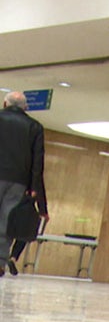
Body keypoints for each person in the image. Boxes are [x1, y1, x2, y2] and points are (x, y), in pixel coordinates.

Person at [0, 91, 47, 277]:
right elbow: (38, 163)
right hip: (19, 181)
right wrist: (34, 189)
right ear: (25, 108)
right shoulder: (35, 127)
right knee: (7, 220)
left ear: (5, 104)